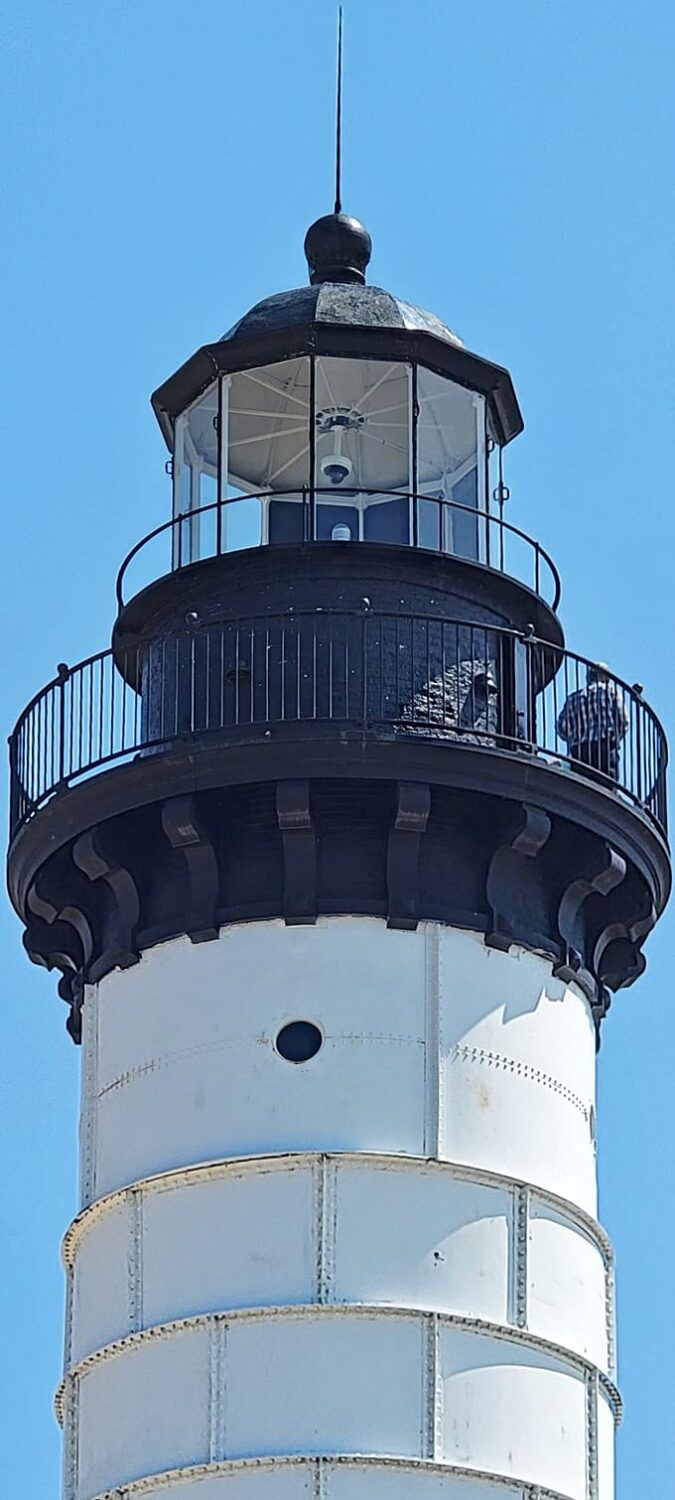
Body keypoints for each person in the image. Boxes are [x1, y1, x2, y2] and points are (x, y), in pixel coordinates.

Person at [556, 663, 629, 781]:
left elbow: (561, 727)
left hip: (580, 751)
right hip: (604, 748)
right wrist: (616, 738)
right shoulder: (611, 691)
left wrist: (573, 738)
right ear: (605, 677)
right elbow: (623, 720)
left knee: (581, 787)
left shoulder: (573, 698)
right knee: (607, 788)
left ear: (589, 677)